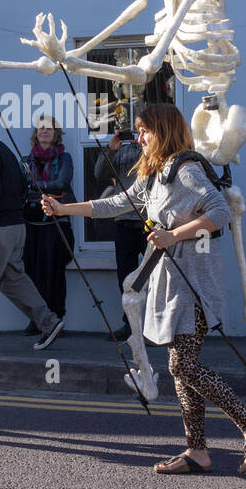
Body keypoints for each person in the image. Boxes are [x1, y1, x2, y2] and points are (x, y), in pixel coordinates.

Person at [42, 104, 246, 475]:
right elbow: (115, 204)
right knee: (181, 367)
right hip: (171, 282)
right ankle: (197, 451)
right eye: (137, 130)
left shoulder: (187, 169)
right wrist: (63, 208)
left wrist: (172, 234)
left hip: (196, 281)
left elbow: (219, 211)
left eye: (145, 130)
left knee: (183, 365)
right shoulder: (154, 173)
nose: (139, 137)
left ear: (163, 130)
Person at [0, 115, 65, 351]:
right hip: (15, 227)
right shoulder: (5, 151)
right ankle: (49, 323)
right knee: (13, 281)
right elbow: (20, 187)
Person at [22, 114, 76, 327]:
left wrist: (35, 188)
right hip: (32, 223)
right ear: (36, 133)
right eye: (41, 128)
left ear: (56, 134)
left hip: (56, 223)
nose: (44, 131)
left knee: (54, 272)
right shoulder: (26, 161)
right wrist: (45, 189)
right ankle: (37, 319)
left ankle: (56, 319)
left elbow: (62, 183)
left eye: (49, 129)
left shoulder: (65, 158)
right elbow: (22, 187)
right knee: (32, 271)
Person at [95, 125, 146, 341]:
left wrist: (146, 148)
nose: (134, 135)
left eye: (140, 130)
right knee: (125, 278)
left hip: (148, 221)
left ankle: (156, 328)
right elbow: (99, 174)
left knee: (157, 277)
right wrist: (111, 149)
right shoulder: (120, 150)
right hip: (124, 221)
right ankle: (130, 325)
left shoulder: (151, 148)